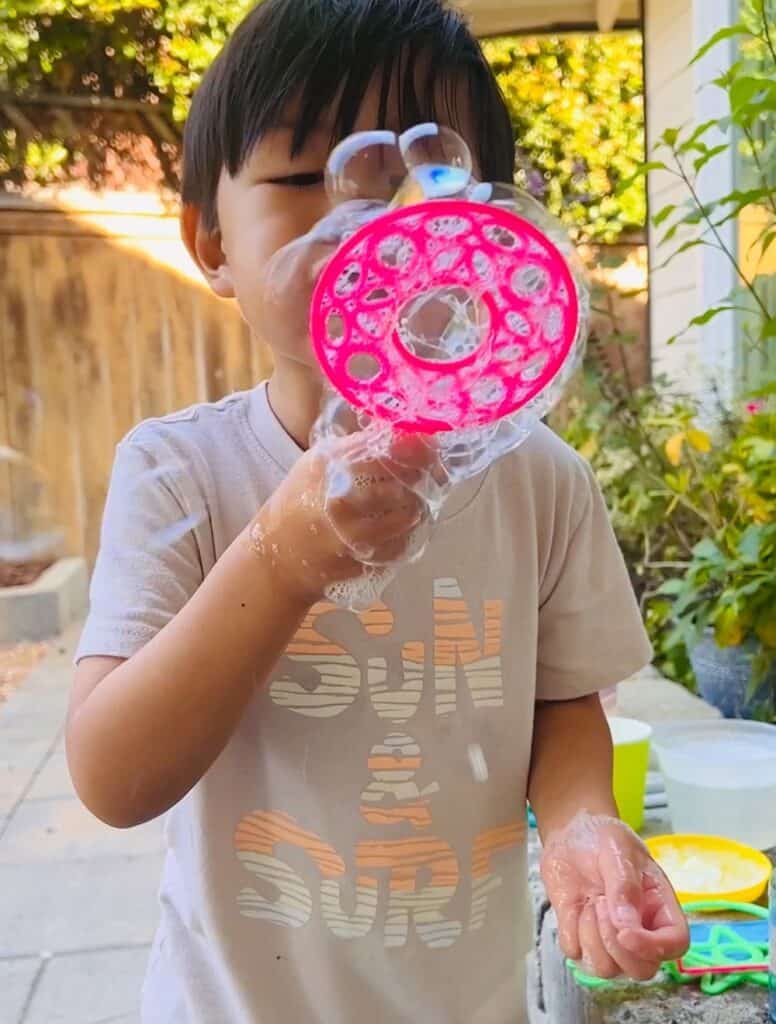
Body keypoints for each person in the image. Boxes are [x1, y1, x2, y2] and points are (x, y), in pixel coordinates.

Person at [66, 1, 689, 1021]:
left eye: (427, 180)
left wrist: (581, 821)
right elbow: (112, 776)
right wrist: (279, 558)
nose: (371, 223)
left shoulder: (541, 481)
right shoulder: (179, 472)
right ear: (210, 240)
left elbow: (563, 703)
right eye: (302, 175)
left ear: (488, 230)